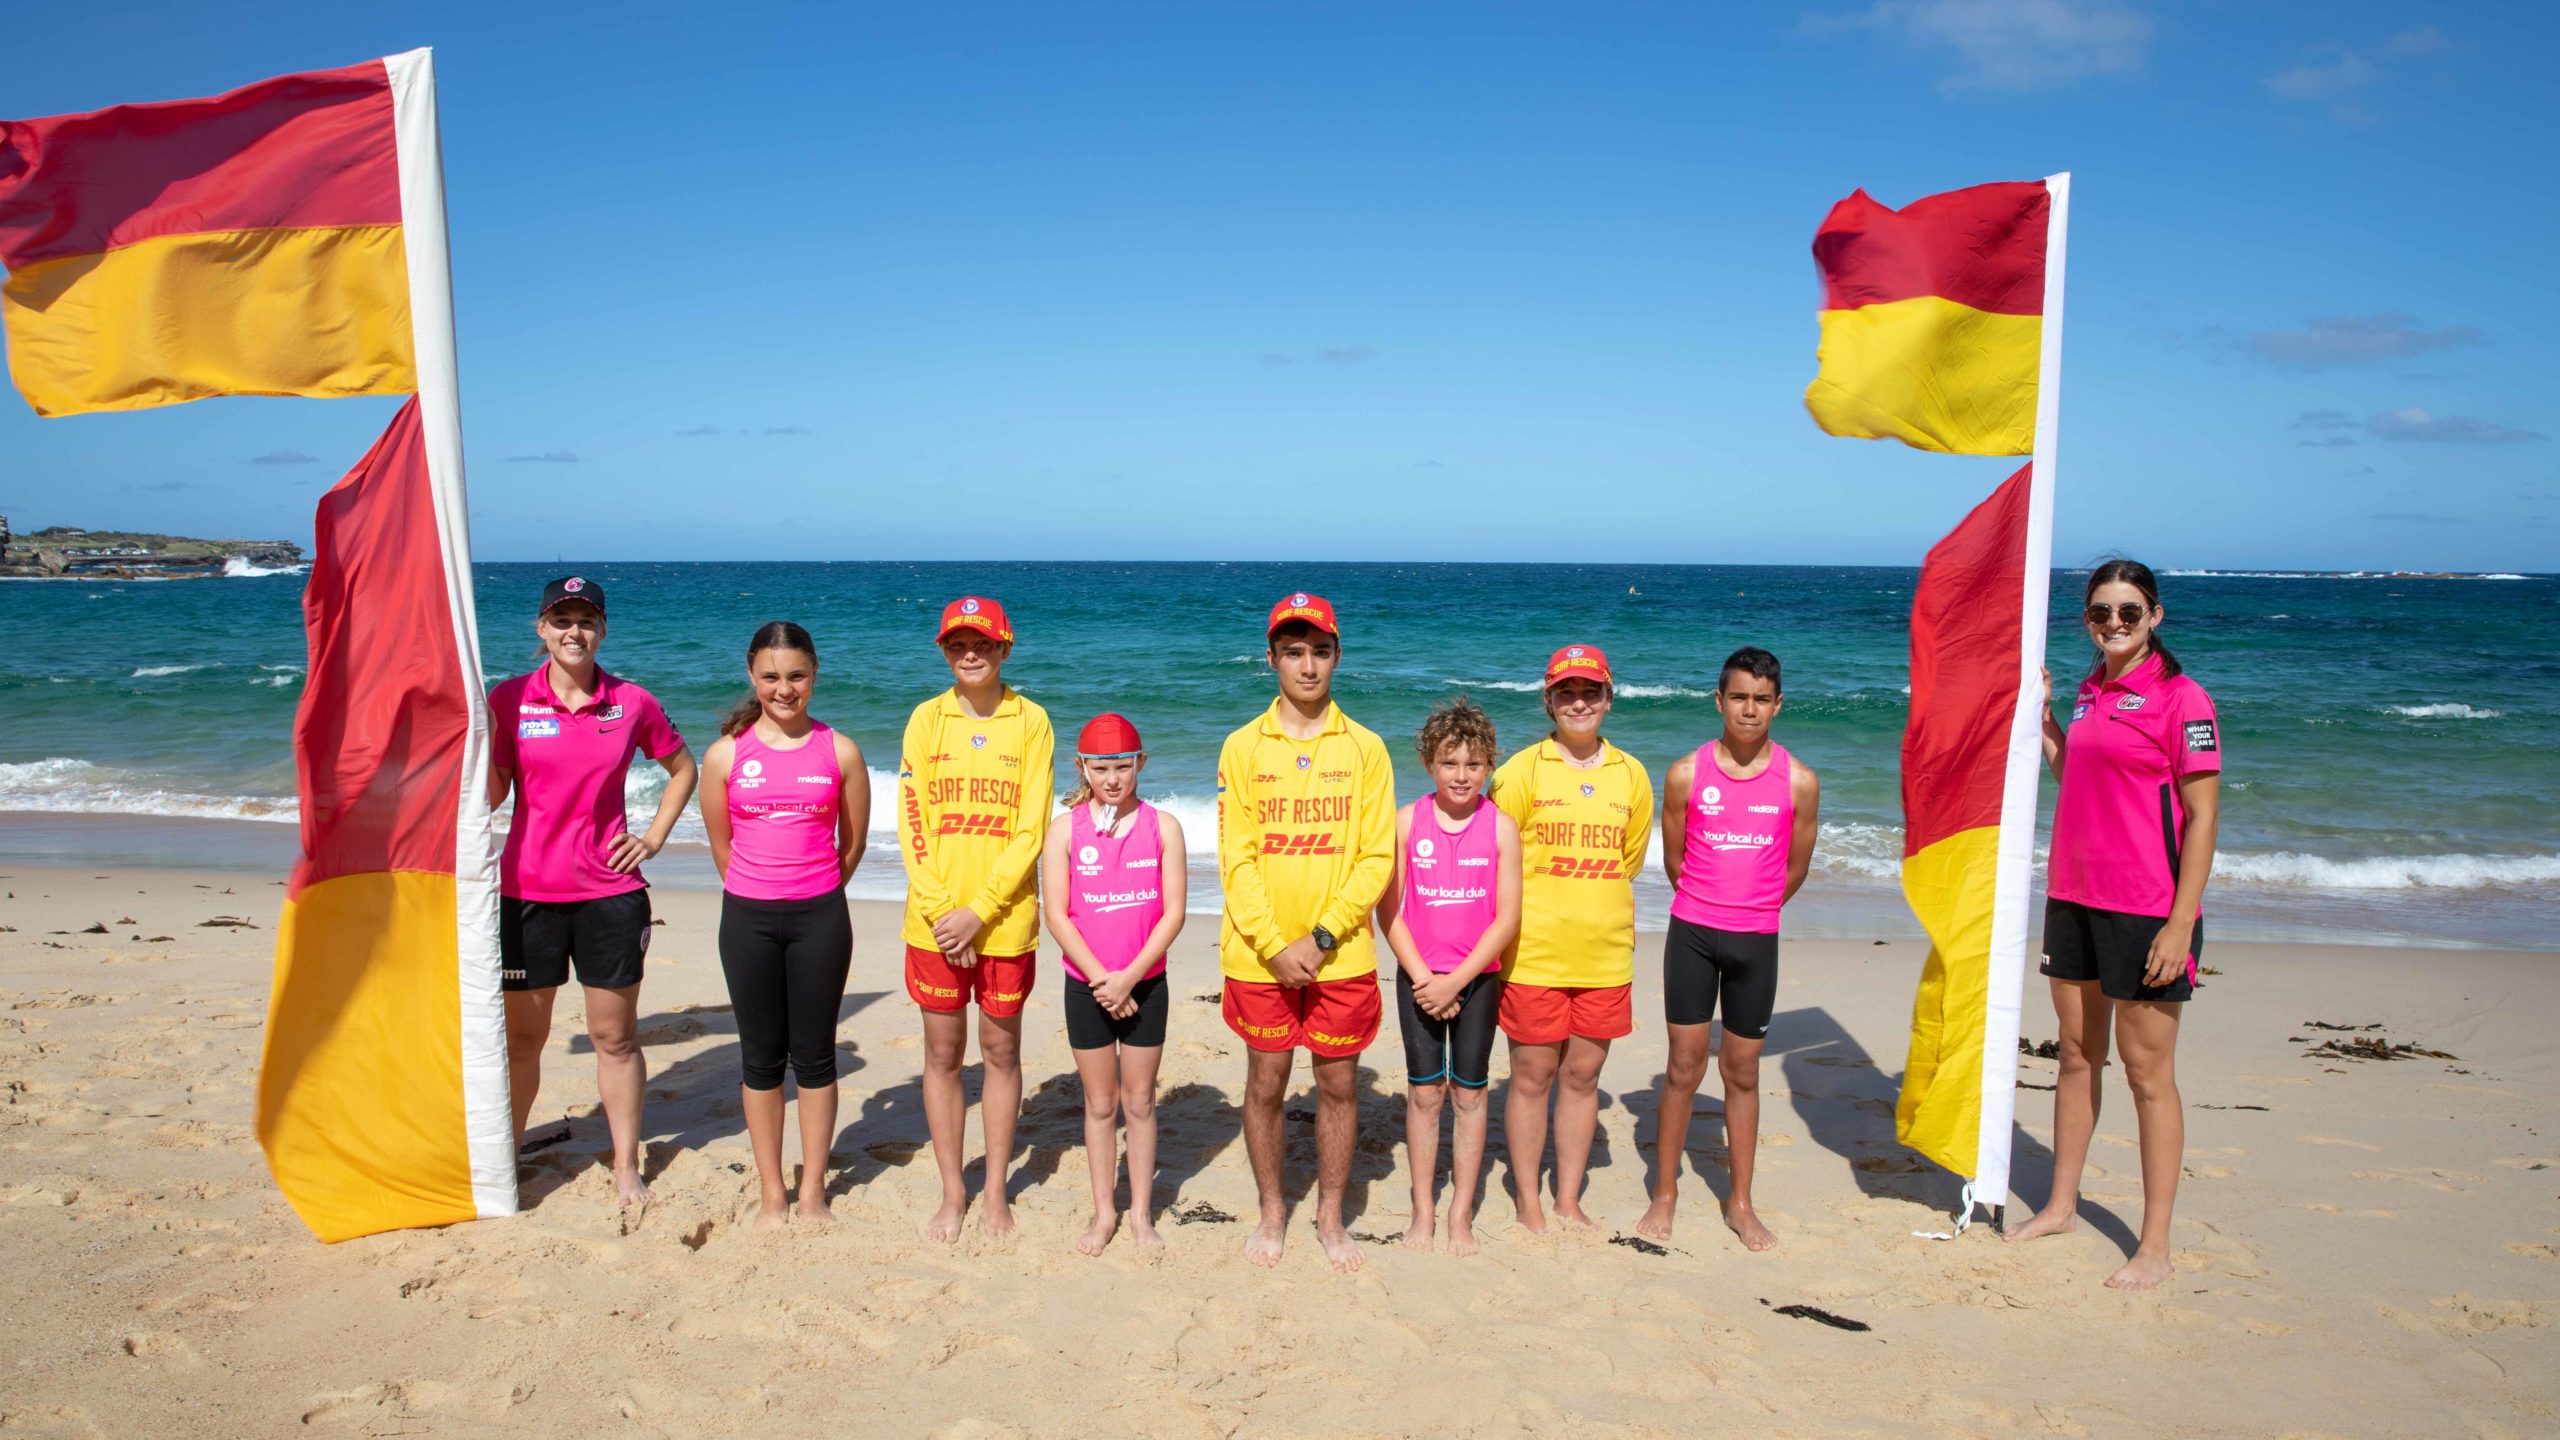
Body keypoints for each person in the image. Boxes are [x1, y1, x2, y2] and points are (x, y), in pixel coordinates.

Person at [2006, 559, 2220, 1291]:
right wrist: (2046, 723)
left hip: (2147, 908)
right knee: (2074, 1053)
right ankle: (2062, 1205)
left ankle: (2154, 1243)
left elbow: (2201, 816)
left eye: (2129, 612)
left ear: (2155, 616)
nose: (2115, 624)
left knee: (2147, 1075)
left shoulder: (2182, 699)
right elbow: (2079, 776)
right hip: (2074, 895)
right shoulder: (2095, 692)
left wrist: (2180, 918)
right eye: (2102, 613)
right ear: (2088, 620)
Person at [487, 575, 697, 1210]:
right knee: (523, 1040)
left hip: (610, 894)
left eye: (586, 620)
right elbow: (491, 794)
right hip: (526, 896)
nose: (573, 631)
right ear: (541, 629)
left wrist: (653, 839)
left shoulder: (629, 702)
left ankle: (626, 1164)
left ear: (602, 629)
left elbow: (683, 767)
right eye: (561, 620)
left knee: (615, 1037)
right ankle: (505, 1155)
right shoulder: (508, 700)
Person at [1217, 592, 1396, 1271]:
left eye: (1320, 650)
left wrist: (1319, 939)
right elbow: (1237, 857)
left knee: (1339, 1085)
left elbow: (1376, 856)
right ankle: (1272, 1210)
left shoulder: (1367, 748)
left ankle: (1329, 1215)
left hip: (1339, 955)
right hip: (1259, 956)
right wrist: (1274, 943)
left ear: (1337, 656)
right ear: (1272, 659)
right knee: (1265, 1081)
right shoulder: (1242, 746)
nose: (1308, 665)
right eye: (1294, 652)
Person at [1641, 646, 1820, 1250]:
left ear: (1778, 705)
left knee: (1741, 1071)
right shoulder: (1686, 774)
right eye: (1739, 697)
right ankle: (1664, 1194)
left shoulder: (1798, 781)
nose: (1749, 710)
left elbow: (1795, 866)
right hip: (1692, 933)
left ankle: (1740, 1203)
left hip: (1756, 940)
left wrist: (1753, 910)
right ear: (1719, 701)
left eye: (1762, 699)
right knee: (1684, 1066)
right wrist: (1709, 906)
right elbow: (1674, 858)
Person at [697, 621, 870, 1229]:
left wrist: (810, 892)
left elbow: (851, 844)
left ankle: (815, 1191)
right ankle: (773, 1192)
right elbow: (722, 847)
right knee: (761, 1060)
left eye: (796, 676)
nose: (784, 689)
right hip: (746, 919)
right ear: (752, 675)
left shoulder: (840, 751)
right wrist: (762, 892)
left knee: (816, 1057)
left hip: (820, 917)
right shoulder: (724, 755)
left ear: (814, 675)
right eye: (771, 677)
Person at [898, 596, 1055, 1242]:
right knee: (942, 1052)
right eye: (959, 643)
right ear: (944, 650)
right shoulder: (926, 720)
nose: (971, 653)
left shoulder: (1032, 721)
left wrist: (979, 912)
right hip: (934, 925)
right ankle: (952, 1193)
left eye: (983, 643)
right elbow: (913, 822)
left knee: (999, 1050)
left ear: (1004, 649)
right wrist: (944, 913)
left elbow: (1030, 828)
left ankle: (994, 1192)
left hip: (1004, 923)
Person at [1491, 645, 1653, 1233]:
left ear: (1609, 697)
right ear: (1549, 700)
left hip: (1606, 956)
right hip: (1533, 955)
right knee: (1532, 1078)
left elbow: (1628, 861)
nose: (1578, 702)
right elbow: (1497, 856)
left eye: (1591, 692)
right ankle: (1529, 1198)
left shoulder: (1631, 775)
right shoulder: (1520, 772)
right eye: (1566, 692)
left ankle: (1568, 1198)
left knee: (1583, 1078)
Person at [1375, 698, 1520, 1256]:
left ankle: (1460, 1212)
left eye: (1474, 764)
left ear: (1488, 767)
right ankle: (1422, 1211)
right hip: (1418, 978)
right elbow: (1389, 912)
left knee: (1469, 1095)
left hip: (1476, 978)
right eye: (1450, 763)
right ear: (1430, 764)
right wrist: (1424, 979)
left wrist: (1456, 981)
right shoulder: (1406, 823)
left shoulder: (1501, 827)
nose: (1462, 775)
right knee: (1424, 1095)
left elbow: (1506, 917)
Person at [1040, 713, 1187, 1256]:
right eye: (1100, 767)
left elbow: (1173, 914)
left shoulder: (1163, 826)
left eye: (1123, 766)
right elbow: (1057, 914)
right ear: (1082, 767)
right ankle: (1104, 1213)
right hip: (1088, 987)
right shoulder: (1064, 830)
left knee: (1141, 1100)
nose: (1112, 778)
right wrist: (1103, 980)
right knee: (1100, 1104)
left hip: (1145, 983)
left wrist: (1128, 977)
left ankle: (1142, 1214)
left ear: (1140, 764)